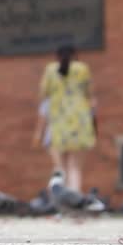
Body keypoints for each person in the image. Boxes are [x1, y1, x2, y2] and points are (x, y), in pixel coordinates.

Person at [39, 45, 97, 193]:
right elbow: (91, 99)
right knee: (75, 167)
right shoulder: (82, 69)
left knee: (59, 168)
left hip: (57, 122)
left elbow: (43, 95)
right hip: (80, 122)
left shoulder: (50, 70)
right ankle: (75, 199)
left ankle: (59, 200)